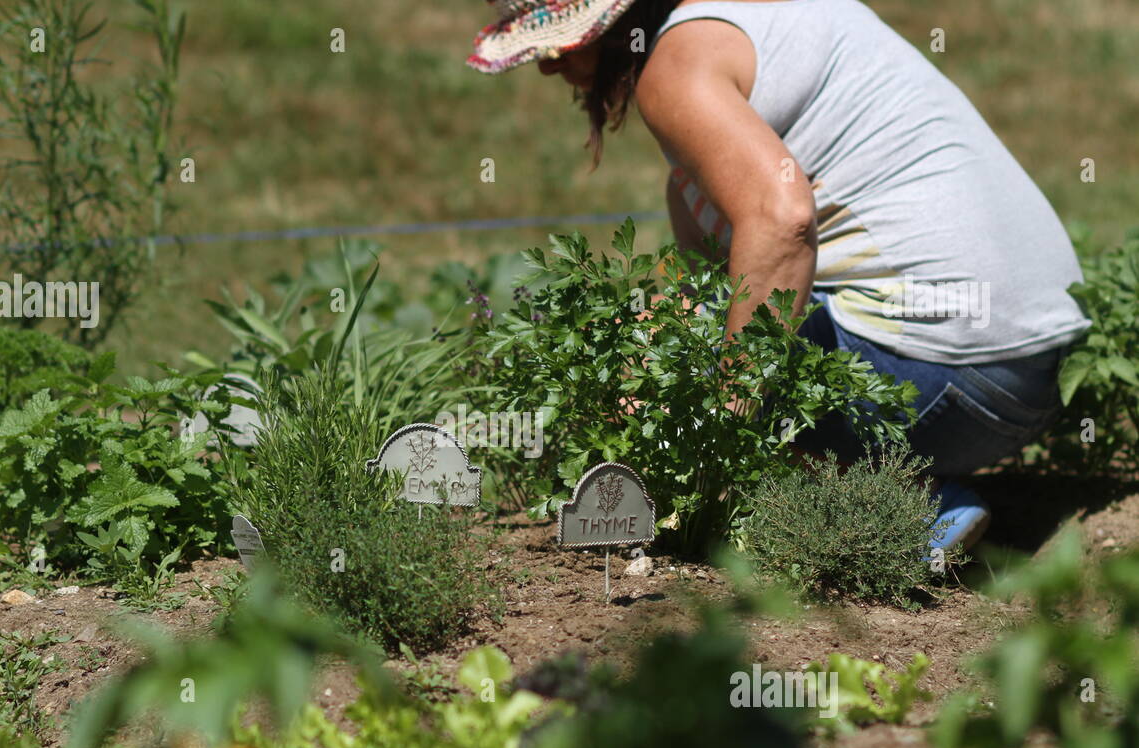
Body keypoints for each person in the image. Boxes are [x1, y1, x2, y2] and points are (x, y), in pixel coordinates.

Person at [467, 0, 1090, 553]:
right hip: (1041, 369)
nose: (549, 68)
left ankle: (901, 508)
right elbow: (729, 277)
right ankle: (886, 483)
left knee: (646, 367)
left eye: (556, 46)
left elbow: (785, 220)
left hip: (956, 375)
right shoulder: (766, 17)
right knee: (681, 318)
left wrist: (722, 430)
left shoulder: (677, 66)